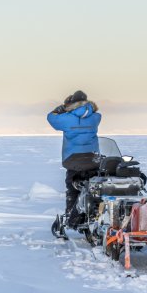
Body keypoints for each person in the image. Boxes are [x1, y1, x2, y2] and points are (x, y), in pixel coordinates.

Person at [46, 90, 102, 226]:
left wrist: (58, 110)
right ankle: (94, 213)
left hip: (73, 159)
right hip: (93, 158)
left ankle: (72, 216)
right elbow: (96, 114)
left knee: (72, 188)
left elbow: (51, 118)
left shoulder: (66, 118)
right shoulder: (95, 117)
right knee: (94, 186)